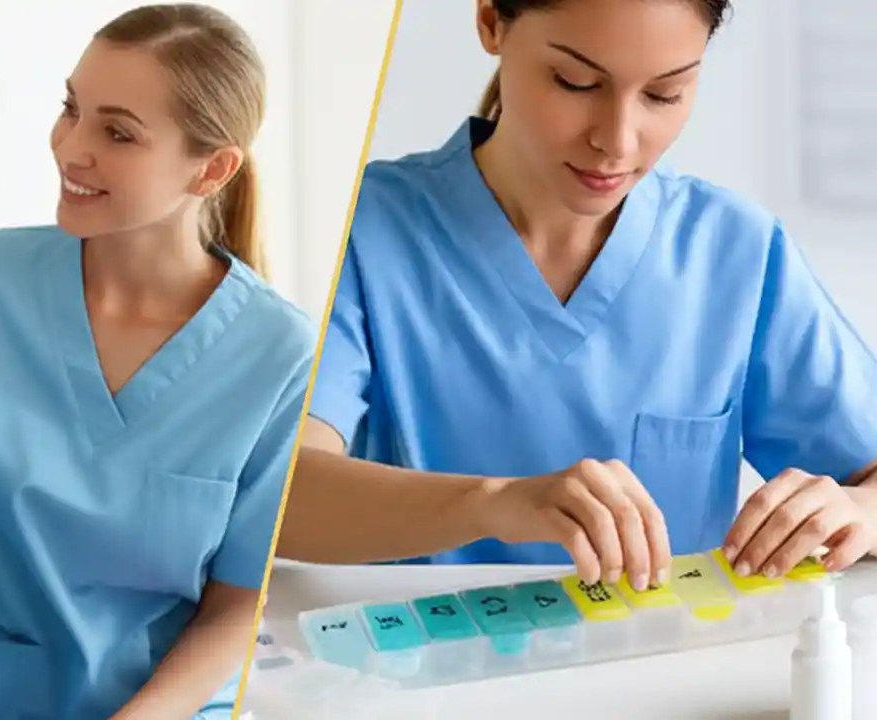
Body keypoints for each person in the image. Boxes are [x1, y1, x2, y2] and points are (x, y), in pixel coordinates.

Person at [278, 0, 877, 594]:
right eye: (576, 82)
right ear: (491, 22)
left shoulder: (735, 252)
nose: (616, 140)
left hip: (664, 675)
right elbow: (280, 495)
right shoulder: (363, 228)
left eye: (663, 95)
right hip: (414, 671)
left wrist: (859, 510)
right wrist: (494, 503)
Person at [0, 4, 315, 718]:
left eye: (118, 132)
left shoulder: (277, 352)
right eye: (71, 109)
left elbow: (240, 599)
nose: (72, 148)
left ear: (212, 168)